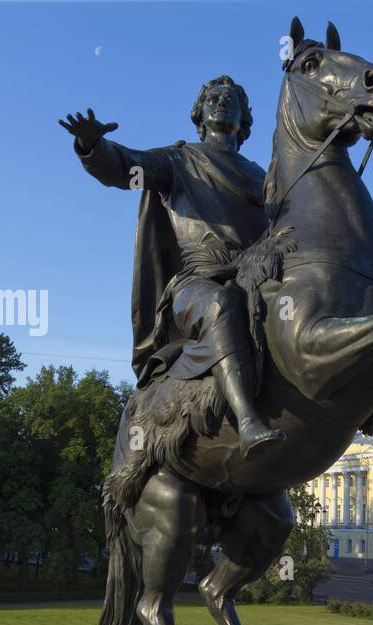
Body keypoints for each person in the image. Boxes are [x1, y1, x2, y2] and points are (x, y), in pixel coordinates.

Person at [60, 76, 284, 459]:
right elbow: (125, 166)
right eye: (212, 98)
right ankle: (247, 421)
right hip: (197, 284)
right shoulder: (179, 160)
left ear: (245, 119)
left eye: (231, 99)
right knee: (220, 304)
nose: (221, 102)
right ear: (200, 115)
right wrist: (92, 146)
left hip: (253, 277)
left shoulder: (263, 177)